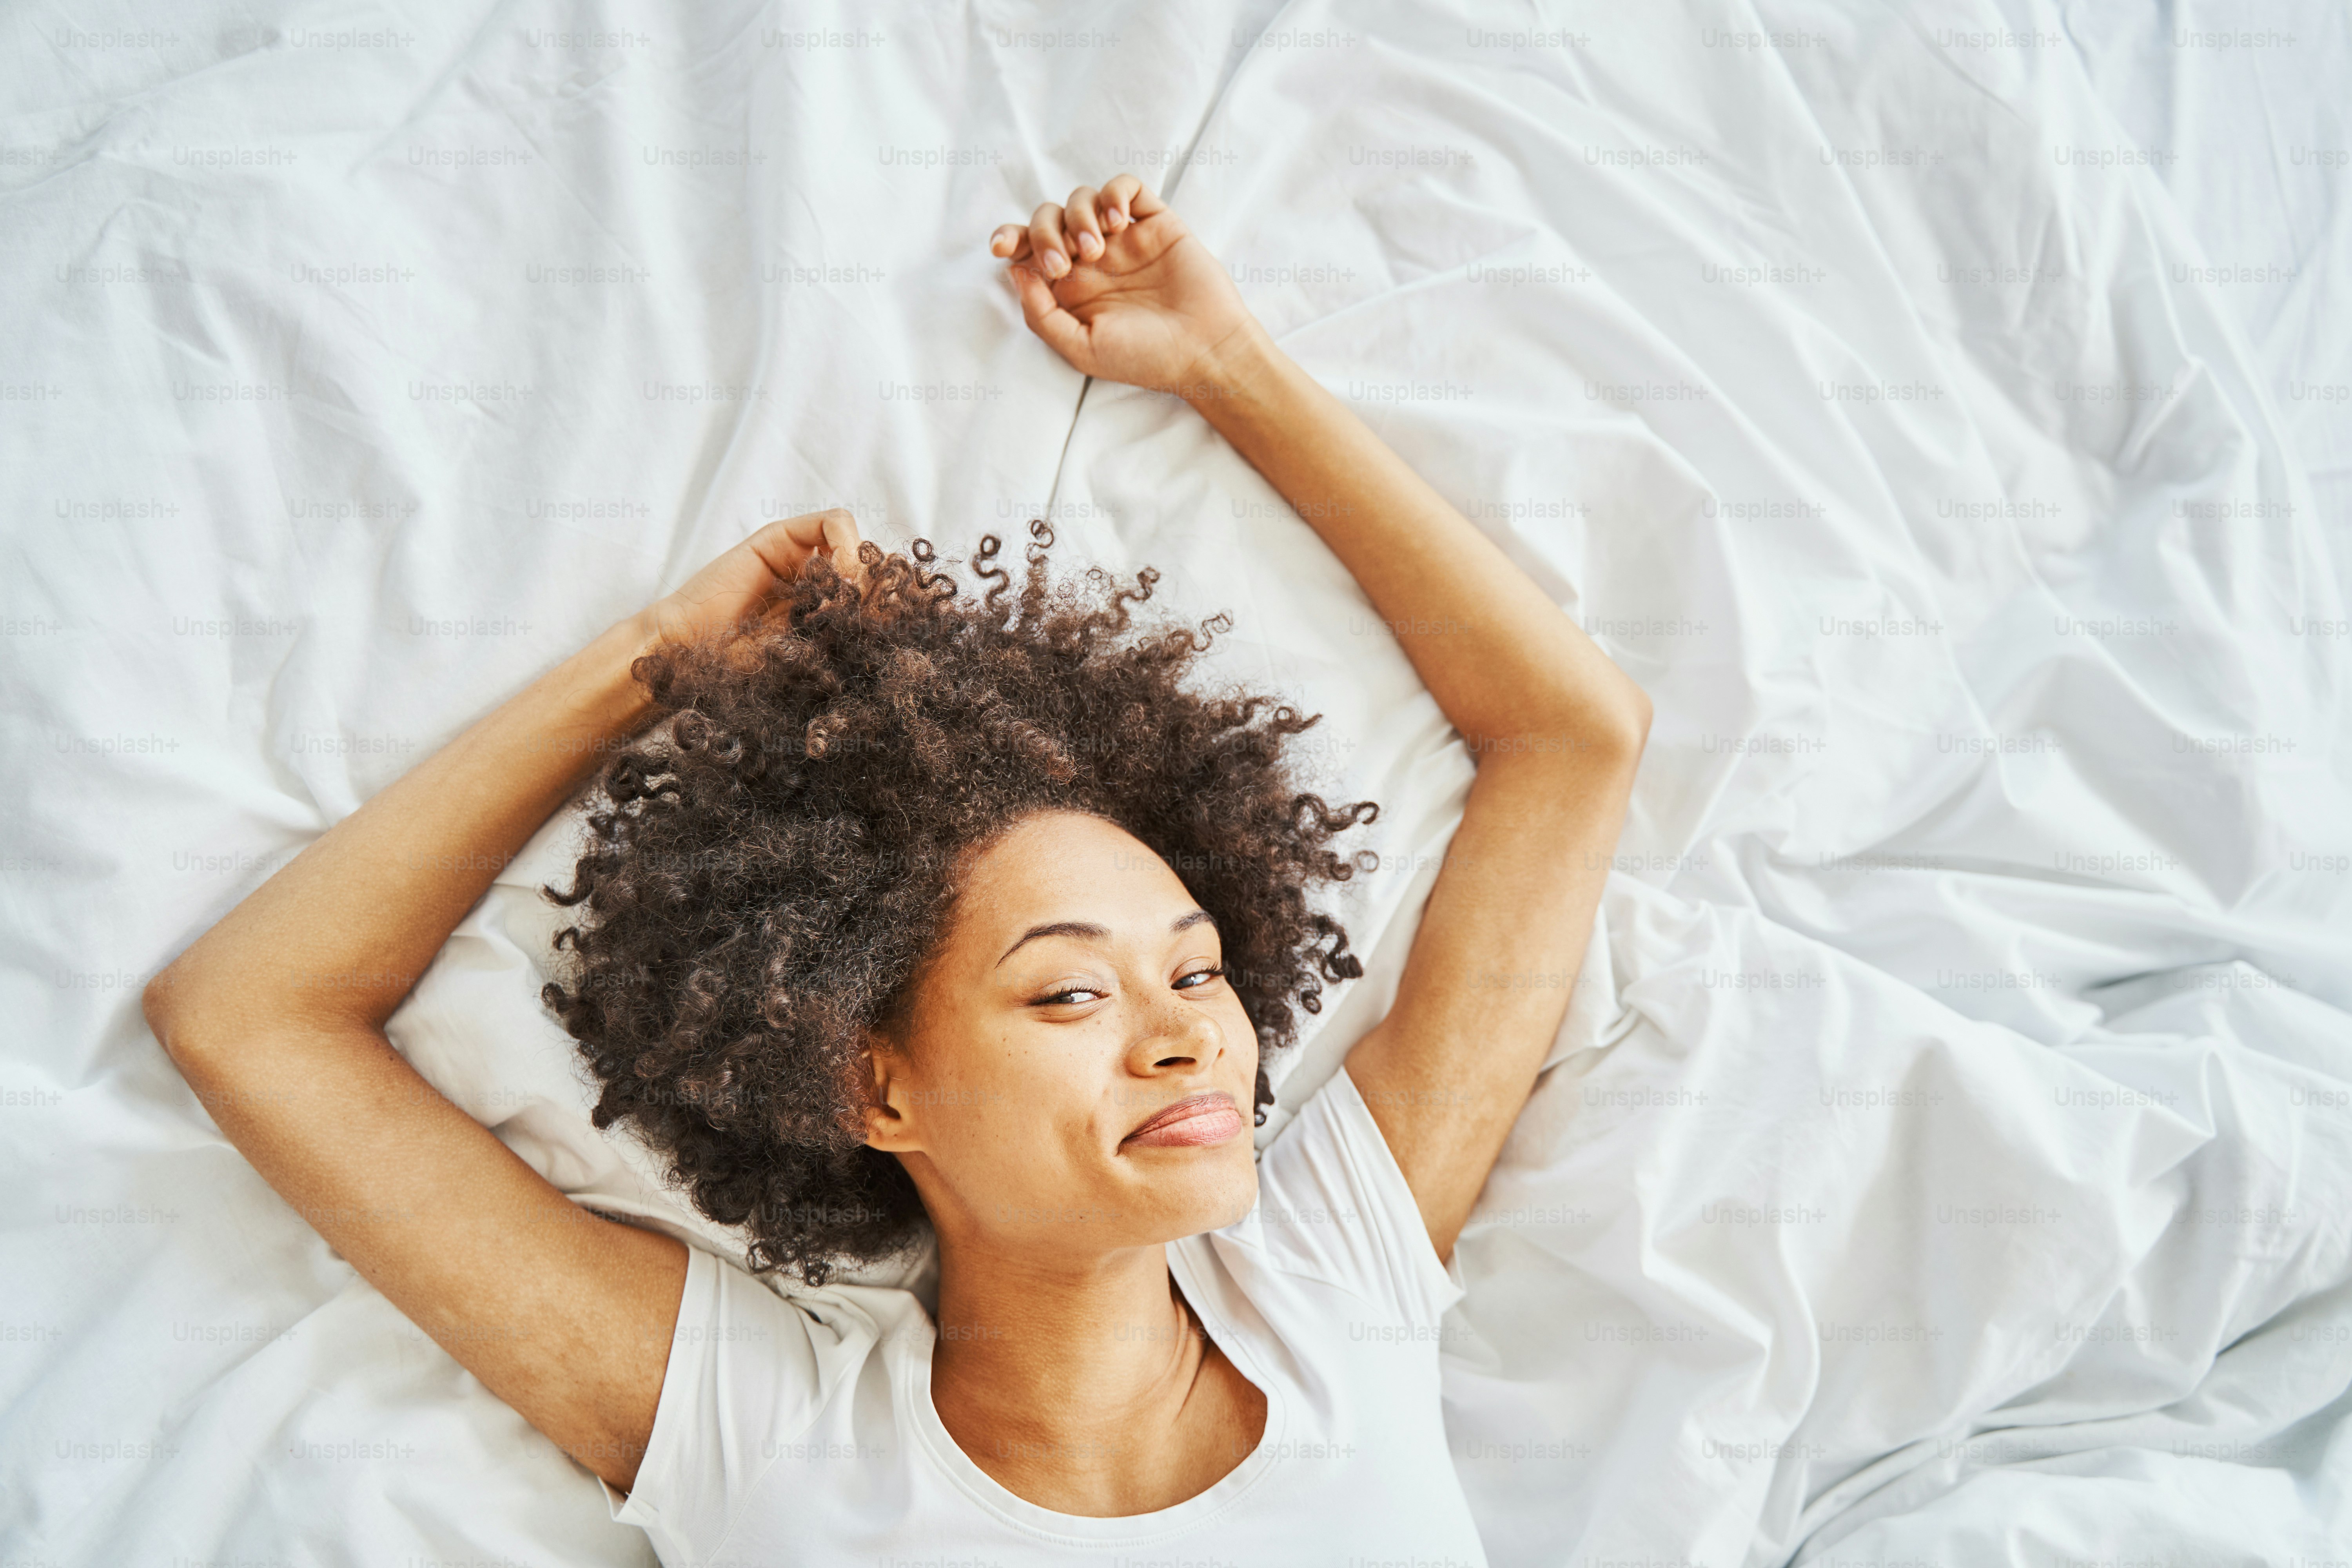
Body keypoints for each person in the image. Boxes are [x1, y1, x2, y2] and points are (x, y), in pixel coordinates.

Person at [146, 173, 1651, 1565]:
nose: (1191, 1030)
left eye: (1194, 969)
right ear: (878, 1088)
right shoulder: (767, 1442)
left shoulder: (1334, 1283)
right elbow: (247, 1015)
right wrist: (659, 667)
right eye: (1070, 993)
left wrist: (1224, 366)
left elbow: (1574, 742)